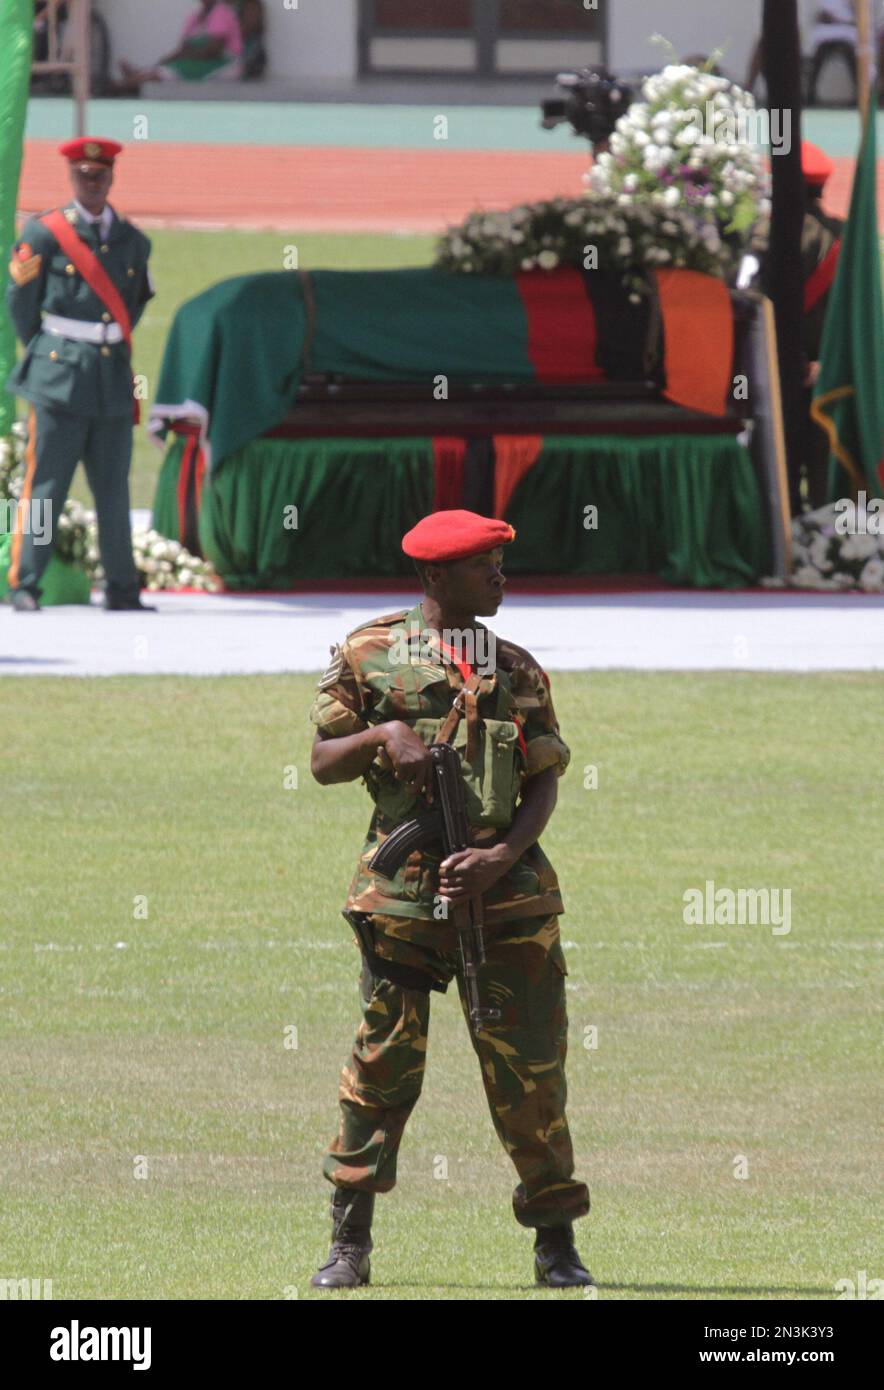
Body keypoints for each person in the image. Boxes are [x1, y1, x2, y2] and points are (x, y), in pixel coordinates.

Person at [308, 509, 592, 1290]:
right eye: (481, 565)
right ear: (435, 576)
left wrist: (500, 856)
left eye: (501, 562)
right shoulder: (369, 655)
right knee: (384, 1063)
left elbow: (544, 778)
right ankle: (349, 1242)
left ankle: (556, 1243)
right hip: (401, 899)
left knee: (531, 1070)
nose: (500, 576)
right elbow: (323, 758)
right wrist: (379, 739)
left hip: (507, 899)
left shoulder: (518, 670)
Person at [4, 138, 155, 612]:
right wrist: (52, 348)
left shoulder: (133, 240)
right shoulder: (44, 233)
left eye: (101, 175)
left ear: (112, 177)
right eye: (84, 176)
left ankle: (122, 588)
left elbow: (135, 302)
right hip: (58, 375)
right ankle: (25, 583)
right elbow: (21, 302)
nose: (93, 184)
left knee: (113, 486)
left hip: (110, 376)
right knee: (45, 484)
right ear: (71, 177)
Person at [113, 0, 242, 94]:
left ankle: (122, 85)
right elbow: (183, 48)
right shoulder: (195, 17)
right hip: (196, 60)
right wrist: (165, 60)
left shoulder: (222, 12)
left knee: (165, 73)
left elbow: (214, 50)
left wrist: (184, 57)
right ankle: (138, 75)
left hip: (221, 63)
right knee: (164, 67)